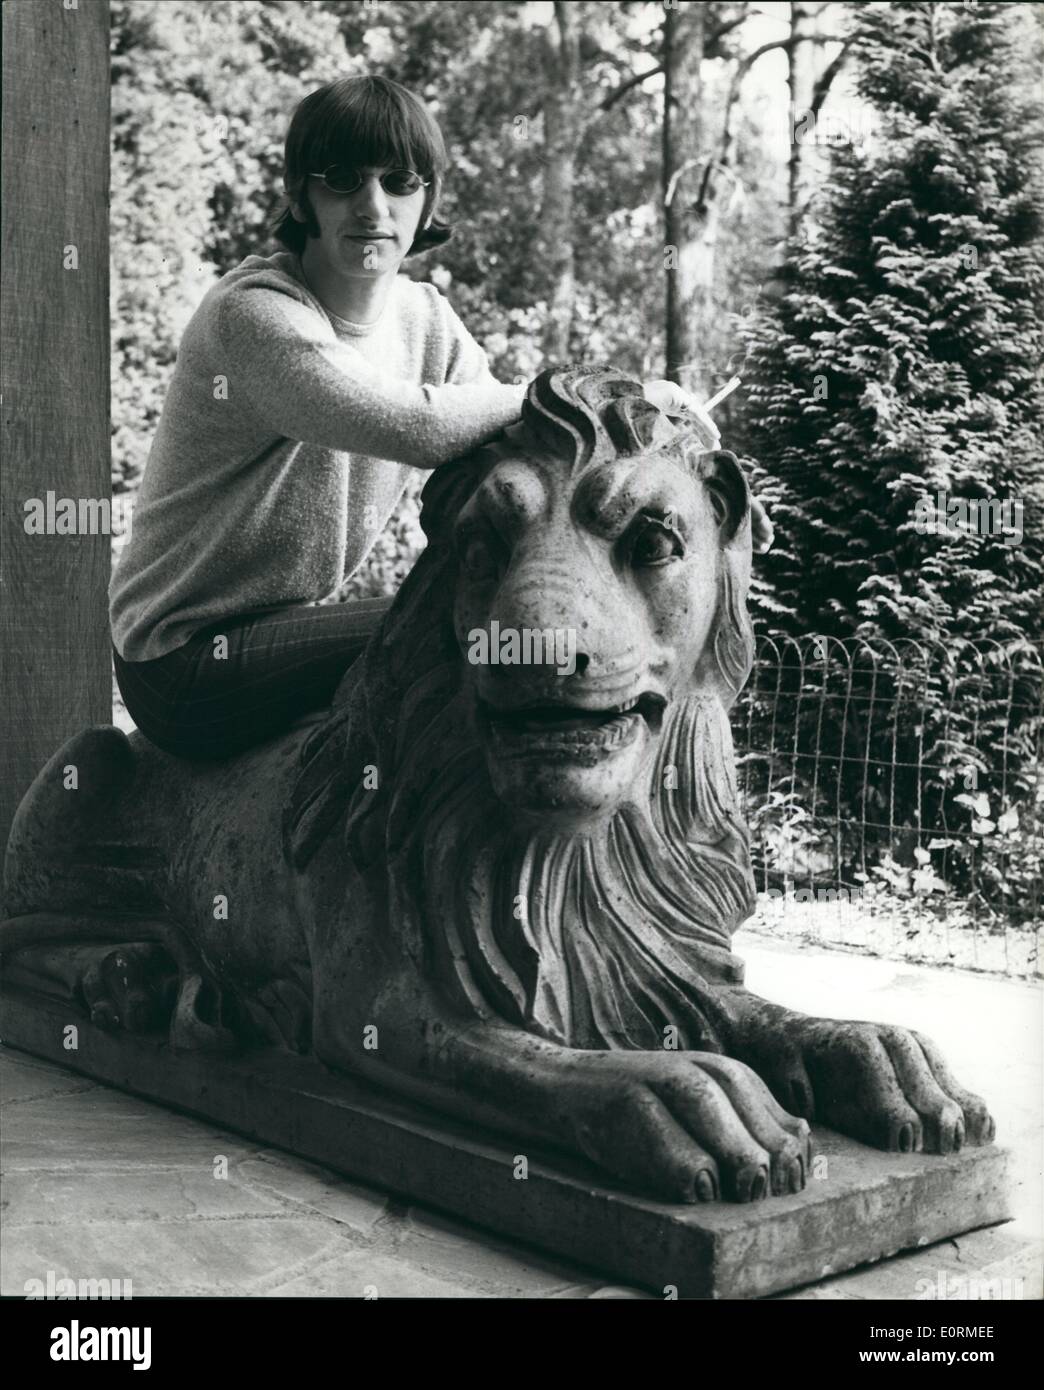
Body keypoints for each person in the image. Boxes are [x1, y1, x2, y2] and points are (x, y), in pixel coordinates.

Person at [111, 74, 768, 762]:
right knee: (466, 633)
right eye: (343, 180)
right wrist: (615, 388)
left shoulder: (424, 319)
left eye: (399, 182)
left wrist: (691, 481)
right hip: (181, 660)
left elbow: (523, 443)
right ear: (301, 196)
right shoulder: (252, 314)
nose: (373, 206)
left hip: (287, 624)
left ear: (427, 200)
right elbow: (415, 425)